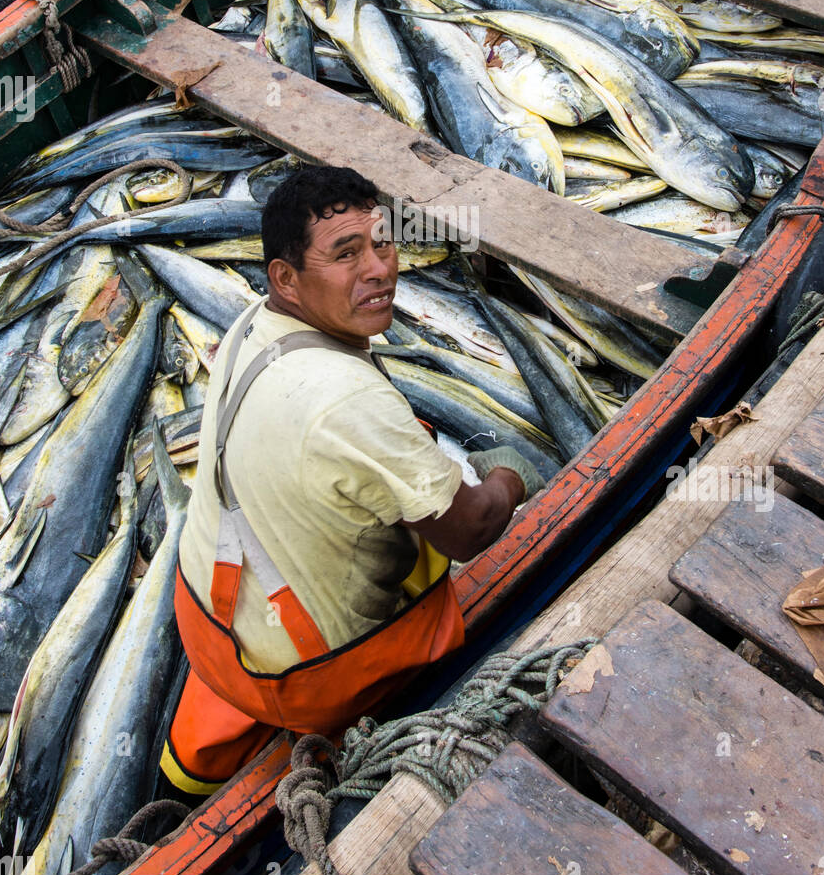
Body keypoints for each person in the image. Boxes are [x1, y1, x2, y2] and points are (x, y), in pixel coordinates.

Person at [160, 165, 543, 797]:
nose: (379, 269)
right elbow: (470, 532)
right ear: (285, 277)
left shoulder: (254, 323)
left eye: (382, 243)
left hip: (207, 621)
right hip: (310, 681)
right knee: (439, 526)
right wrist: (509, 480)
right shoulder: (345, 400)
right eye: (345, 254)